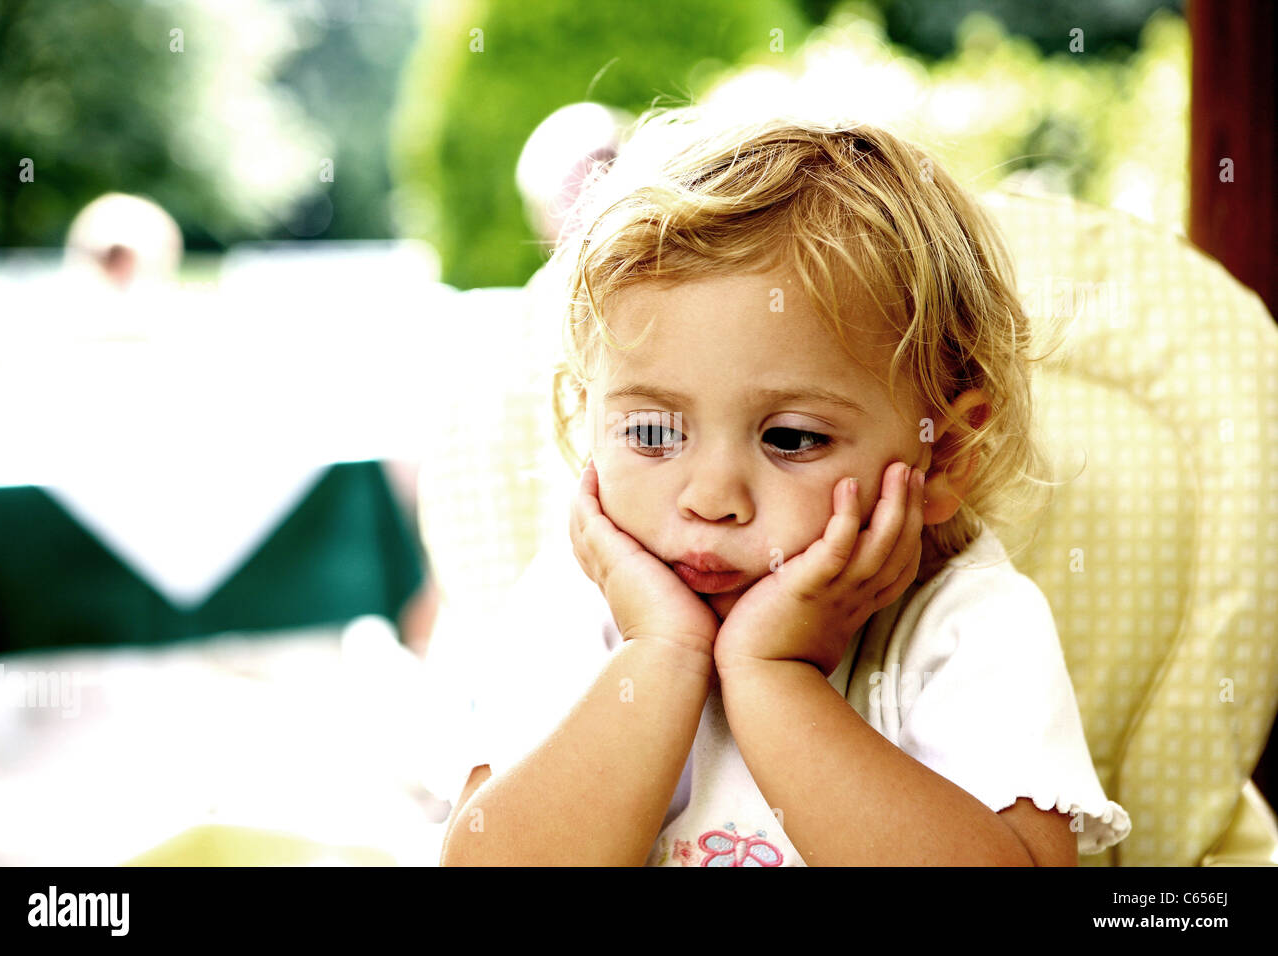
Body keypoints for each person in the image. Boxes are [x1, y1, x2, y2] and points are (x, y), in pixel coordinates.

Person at [437, 103, 1132, 866]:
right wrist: (661, 653)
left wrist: (773, 680)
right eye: (652, 433)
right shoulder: (578, 607)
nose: (710, 499)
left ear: (946, 454)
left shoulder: (965, 628)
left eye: (791, 438)